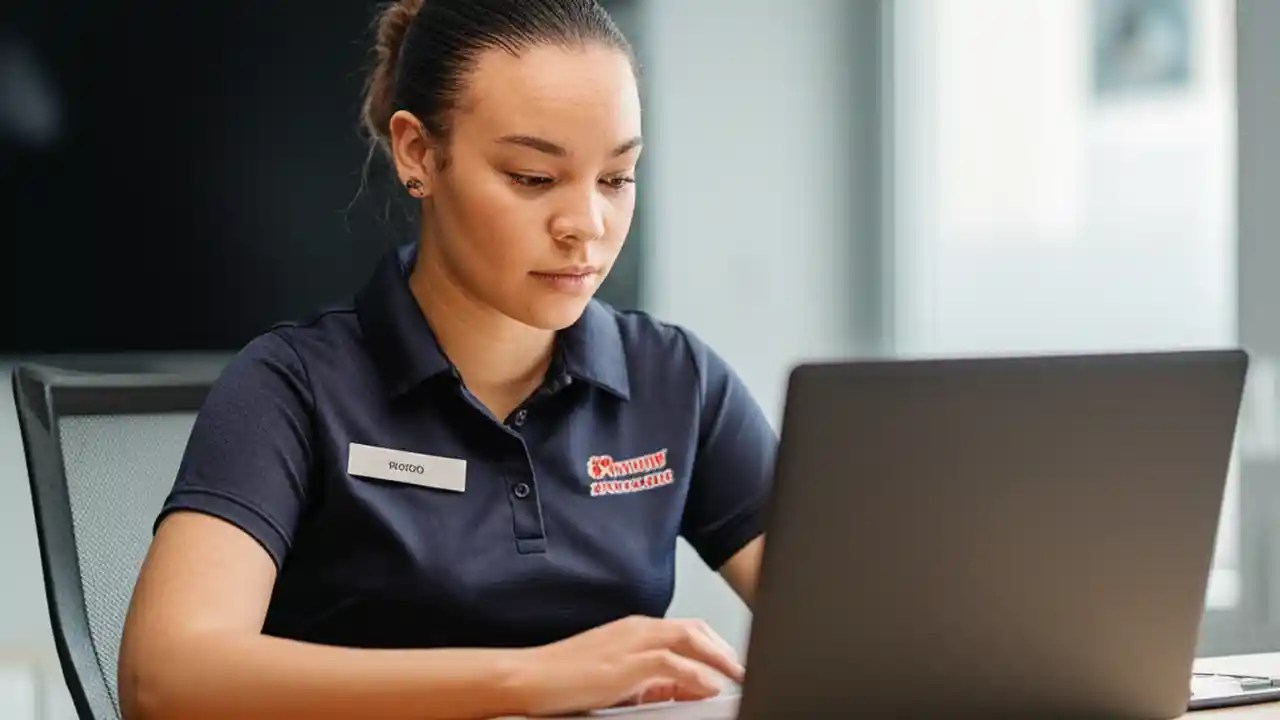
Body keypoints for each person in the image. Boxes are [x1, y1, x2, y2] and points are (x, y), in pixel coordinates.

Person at [117, 1, 776, 718]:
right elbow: (166, 678)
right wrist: (532, 680)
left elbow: (859, 634)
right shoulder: (292, 387)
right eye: (532, 177)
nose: (586, 225)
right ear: (418, 154)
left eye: (617, 178)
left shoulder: (678, 381)